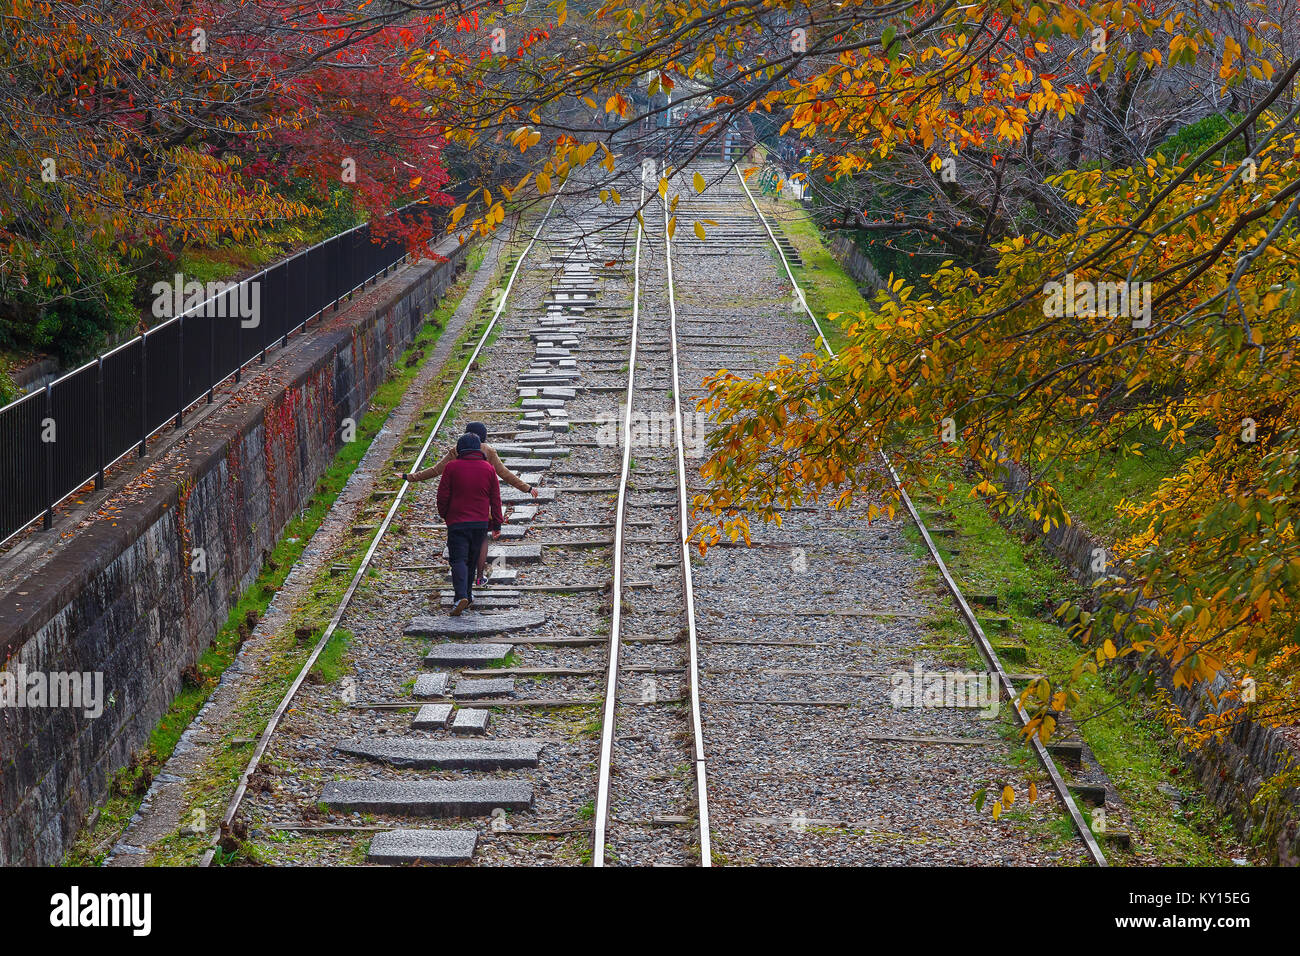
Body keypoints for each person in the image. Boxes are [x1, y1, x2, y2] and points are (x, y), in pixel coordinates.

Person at [405, 421, 539, 585]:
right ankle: (479, 576)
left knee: (461, 542)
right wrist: (527, 488)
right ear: (483, 436)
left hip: (458, 507)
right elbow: (505, 474)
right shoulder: (489, 451)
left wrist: (409, 477)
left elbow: (435, 470)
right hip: (482, 507)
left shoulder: (456, 450)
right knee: (482, 539)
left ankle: (463, 577)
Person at [436, 432, 504, 615]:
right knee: (472, 560)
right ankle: (468, 594)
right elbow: (495, 499)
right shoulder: (488, 469)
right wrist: (497, 524)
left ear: (460, 449)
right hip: (480, 523)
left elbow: (442, 495)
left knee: (458, 559)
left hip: (457, 522)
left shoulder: (451, 467)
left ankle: (460, 597)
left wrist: (445, 515)